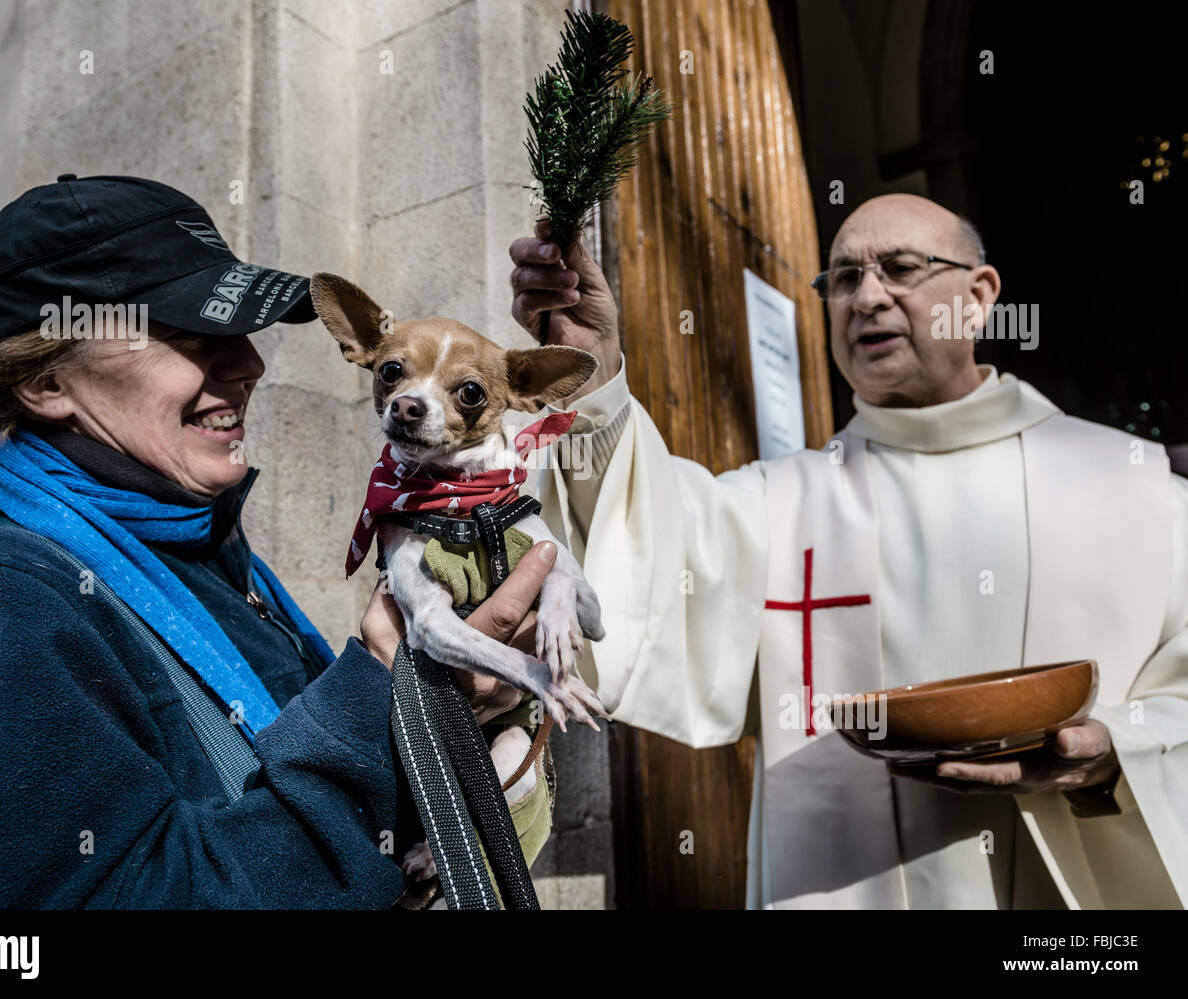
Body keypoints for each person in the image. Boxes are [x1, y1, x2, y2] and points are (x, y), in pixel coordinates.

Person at [509, 193, 1188, 908]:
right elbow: (648, 551)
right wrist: (590, 381)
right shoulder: (785, 500)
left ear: (981, 296)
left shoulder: (1136, 486)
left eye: (899, 268)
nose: (866, 297)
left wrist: (1114, 754)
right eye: (841, 278)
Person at [0, 174, 544, 908]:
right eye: (190, 335)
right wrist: (380, 709)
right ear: (46, 381)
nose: (250, 366)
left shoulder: (217, 561)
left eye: (239, 331)